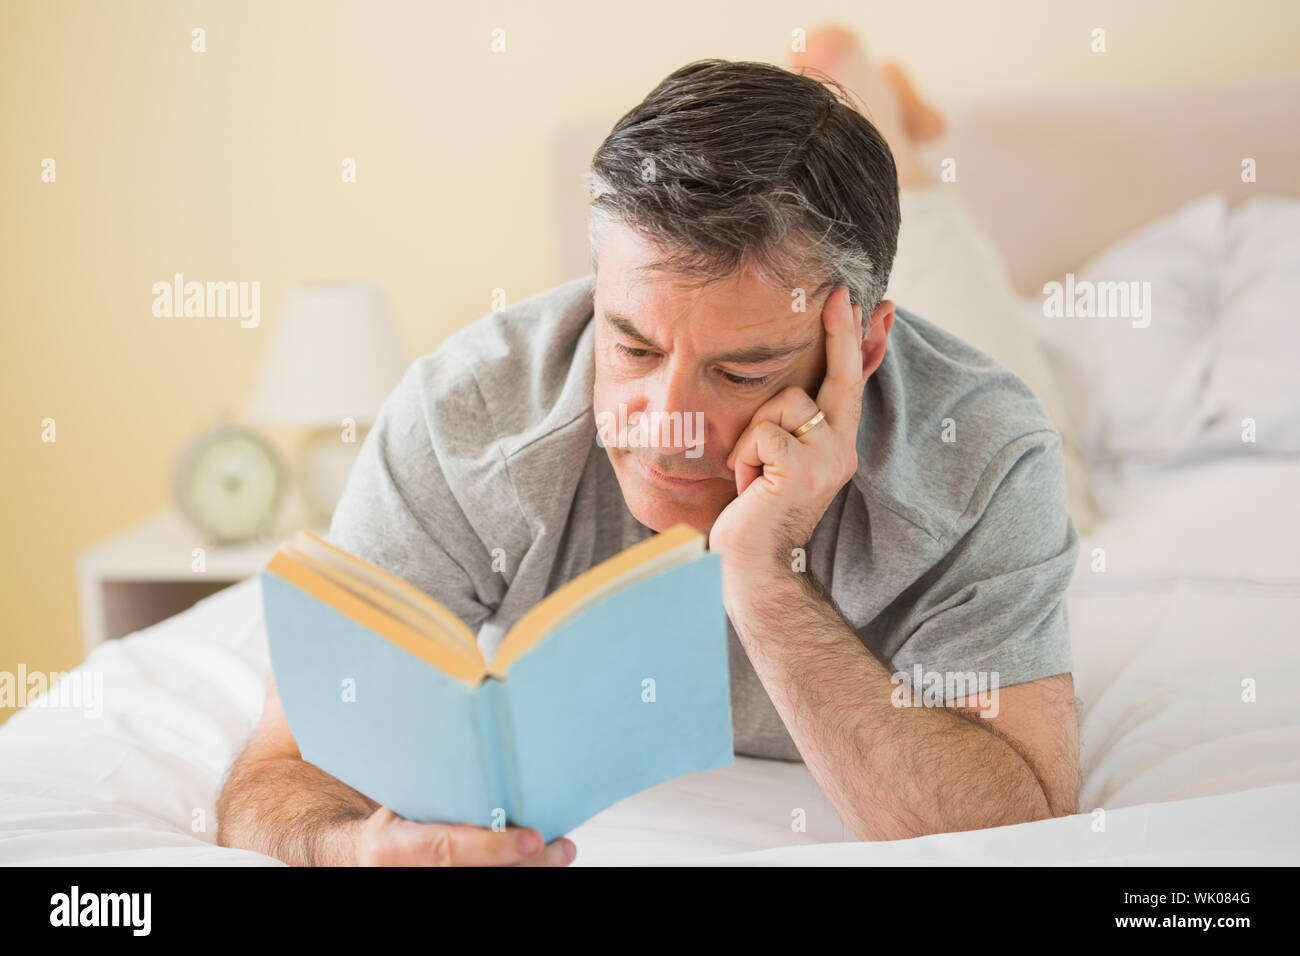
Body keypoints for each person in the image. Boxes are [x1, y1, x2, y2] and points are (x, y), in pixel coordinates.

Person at [217, 28, 1081, 866]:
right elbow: (282, 768)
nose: (665, 422)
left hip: (928, 385)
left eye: (742, 371)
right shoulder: (470, 412)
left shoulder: (988, 451)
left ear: (859, 347)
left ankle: (895, 136)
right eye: (632, 346)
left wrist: (764, 580)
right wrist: (351, 849)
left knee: (997, 330)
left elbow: (1018, 829)